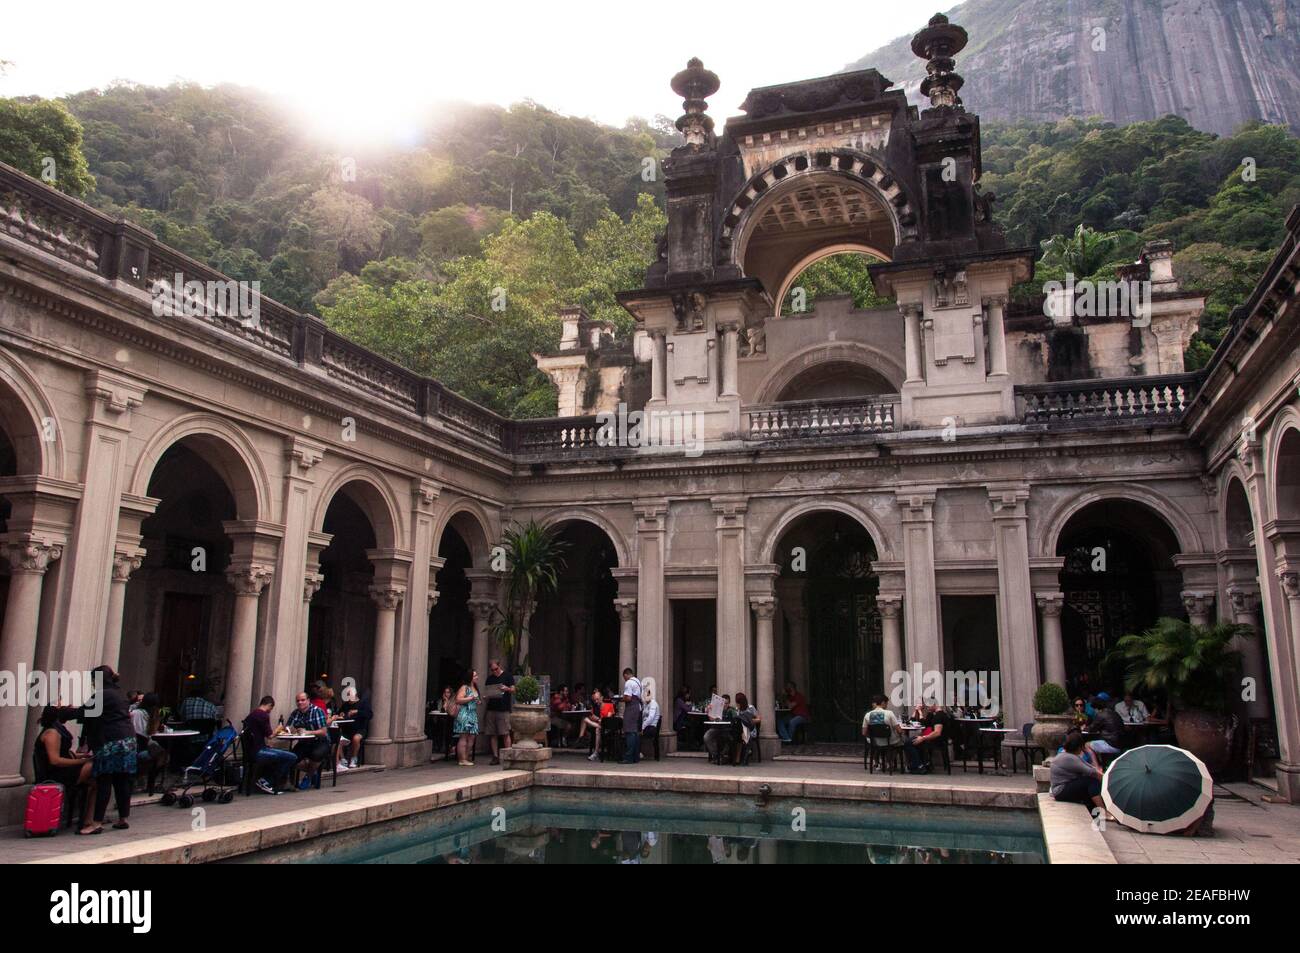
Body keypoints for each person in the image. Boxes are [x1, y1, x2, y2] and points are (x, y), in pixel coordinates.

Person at [77, 665, 137, 835]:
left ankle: (96, 823)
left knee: (105, 780)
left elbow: (83, 713)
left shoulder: (103, 695)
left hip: (111, 741)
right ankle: (123, 818)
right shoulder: (118, 693)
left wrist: (61, 712)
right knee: (122, 780)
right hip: (128, 740)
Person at [33, 705, 95, 828]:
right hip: (56, 774)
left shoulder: (53, 730)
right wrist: (82, 762)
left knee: (96, 781)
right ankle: (89, 818)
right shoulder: (52, 733)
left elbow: (64, 753)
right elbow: (55, 760)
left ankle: (90, 816)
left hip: (61, 770)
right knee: (96, 769)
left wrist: (81, 756)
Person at [243, 696, 297, 794]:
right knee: (291, 757)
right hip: (258, 751)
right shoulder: (263, 715)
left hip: (252, 750)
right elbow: (270, 735)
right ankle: (267, 781)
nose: (270, 711)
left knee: (280, 754)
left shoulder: (252, 715)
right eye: (271, 709)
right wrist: (279, 729)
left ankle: (268, 780)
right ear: (269, 705)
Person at [285, 691, 330, 789]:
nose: (300, 702)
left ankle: (308, 777)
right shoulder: (295, 713)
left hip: (320, 741)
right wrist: (291, 730)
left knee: (316, 755)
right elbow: (288, 727)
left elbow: (323, 732)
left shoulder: (317, 711)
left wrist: (308, 732)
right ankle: (313, 772)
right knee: (291, 758)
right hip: (304, 742)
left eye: (303, 700)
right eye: (298, 701)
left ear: (308, 700)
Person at [1050, 732, 1104, 809]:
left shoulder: (1069, 755)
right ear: (1079, 747)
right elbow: (1092, 772)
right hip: (1060, 791)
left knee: (1090, 785)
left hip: (1064, 789)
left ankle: (1095, 810)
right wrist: (1106, 781)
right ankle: (1103, 811)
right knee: (1091, 782)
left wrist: (1102, 775)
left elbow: (1091, 768)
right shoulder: (1069, 758)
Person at [130, 692, 169, 795]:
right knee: (161, 756)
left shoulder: (141, 713)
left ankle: (144, 782)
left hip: (139, 745)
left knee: (161, 755)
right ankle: (146, 783)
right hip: (136, 748)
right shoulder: (142, 714)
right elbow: (141, 734)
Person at [903, 702, 953, 774]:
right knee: (911, 741)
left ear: (934, 704)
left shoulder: (938, 716)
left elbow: (937, 733)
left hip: (936, 741)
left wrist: (923, 738)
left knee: (908, 743)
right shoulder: (940, 714)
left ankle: (918, 766)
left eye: (928, 705)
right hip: (939, 740)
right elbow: (924, 723)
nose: (927, 707)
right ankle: (922, 764)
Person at [483, 659, 515, 765]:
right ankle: (495, 756)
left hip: (503, 709)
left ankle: (509, 756)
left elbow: (514, 689)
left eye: (496, 669)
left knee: (505, 733)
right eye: (492, 670)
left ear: (499, 666)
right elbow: (487, 691)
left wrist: (507, 689)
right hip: (492, 708)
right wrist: (486, 696)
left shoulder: (508, 676)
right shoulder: (490, 679)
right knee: (493, 734)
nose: (494, 672)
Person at [335, 685, 372, 770]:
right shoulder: (345, 705)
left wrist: (357, 711)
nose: (348, 697)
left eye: (349, 695)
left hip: (359, 729)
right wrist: (341, 714)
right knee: (338, 739)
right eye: (347, 695)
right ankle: (343, 759)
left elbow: (369, 715)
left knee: (356, 738)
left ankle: (354, 758)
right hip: (347, 730)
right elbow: (339, 713)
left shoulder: (363, 704)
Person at [453, 671, 480, 766]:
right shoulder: (464, 687)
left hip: (473, 714)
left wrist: (477, 701)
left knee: (472, 737)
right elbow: (458, 699)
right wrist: (470, 698)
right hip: (465, 713)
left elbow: (474, 700)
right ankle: (462, 759)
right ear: (470, 677)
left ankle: (466, 757)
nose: (477, 677)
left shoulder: (475, 688)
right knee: (464, 737)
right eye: (475, 675)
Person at [578, 689, 613, 761]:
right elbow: (592, 716)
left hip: (607, 726)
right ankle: (582, 738)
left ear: (602, 698)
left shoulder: (609, 705)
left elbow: (608, 719)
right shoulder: (595, 706)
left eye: (597, 699)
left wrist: (599, 720)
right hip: (598, 724)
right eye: (595, 700)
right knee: (585, 719)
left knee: (597, 729)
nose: (596, 702)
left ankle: (596, 752)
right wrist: (597, 719)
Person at [703, 695, 737, 763]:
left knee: (728, 739)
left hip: (727, 730)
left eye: (727, 703)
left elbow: (735, 719)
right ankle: (717, 756)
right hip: (716, 728)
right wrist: (708, 711)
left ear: (729, 703)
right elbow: (711, 719)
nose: (725, 705)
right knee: (706, 736)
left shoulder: (731, 710)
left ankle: (721, 756)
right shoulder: (717, 709)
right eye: (724, 703)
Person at [620, 668, 643, 764]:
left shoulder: (629, 683)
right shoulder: (638, 681)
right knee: (635, 732)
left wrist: (620, 699)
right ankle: (635, 756)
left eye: (624, 677)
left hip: (631, 708)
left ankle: (628, 757)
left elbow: (628, 697)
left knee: (629, 731)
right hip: (637, 707)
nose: (624, 679)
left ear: (626, 674)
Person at [734, 692, 759, 764]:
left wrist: (749, 720)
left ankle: (743, 755)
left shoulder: (750, 708)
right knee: (737, 734)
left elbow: (759, 719)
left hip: (750, 729)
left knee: (743, 733)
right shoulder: (737, 709)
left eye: (738, 702)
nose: (737, 704)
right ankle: (738, 757)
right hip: (740, 730)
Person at [641, 684, 661, 755]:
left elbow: (650, 717)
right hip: (646, 726)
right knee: (634, 732)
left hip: (651, 727)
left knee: (635, 734)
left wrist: (642, 727)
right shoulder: (646, 704)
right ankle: (637, 753)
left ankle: (637, 753)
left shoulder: (653, 704)